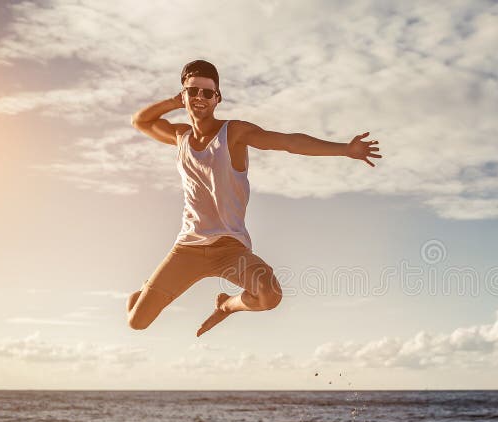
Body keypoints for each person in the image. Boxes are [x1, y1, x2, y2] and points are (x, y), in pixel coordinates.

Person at [127, 59, 382, 337]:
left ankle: (226, 306)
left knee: (269, 295)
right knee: (137, 321)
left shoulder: (233, 133)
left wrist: (345, 149)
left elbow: (288, 142)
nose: (200, 97)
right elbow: (140, 121)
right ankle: (147, 290)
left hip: (230, 249)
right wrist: (173, 102)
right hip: (187, 248)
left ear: (217, 98)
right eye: (193, 91)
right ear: (183, 95)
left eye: (208, 93)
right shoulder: (180, 136)